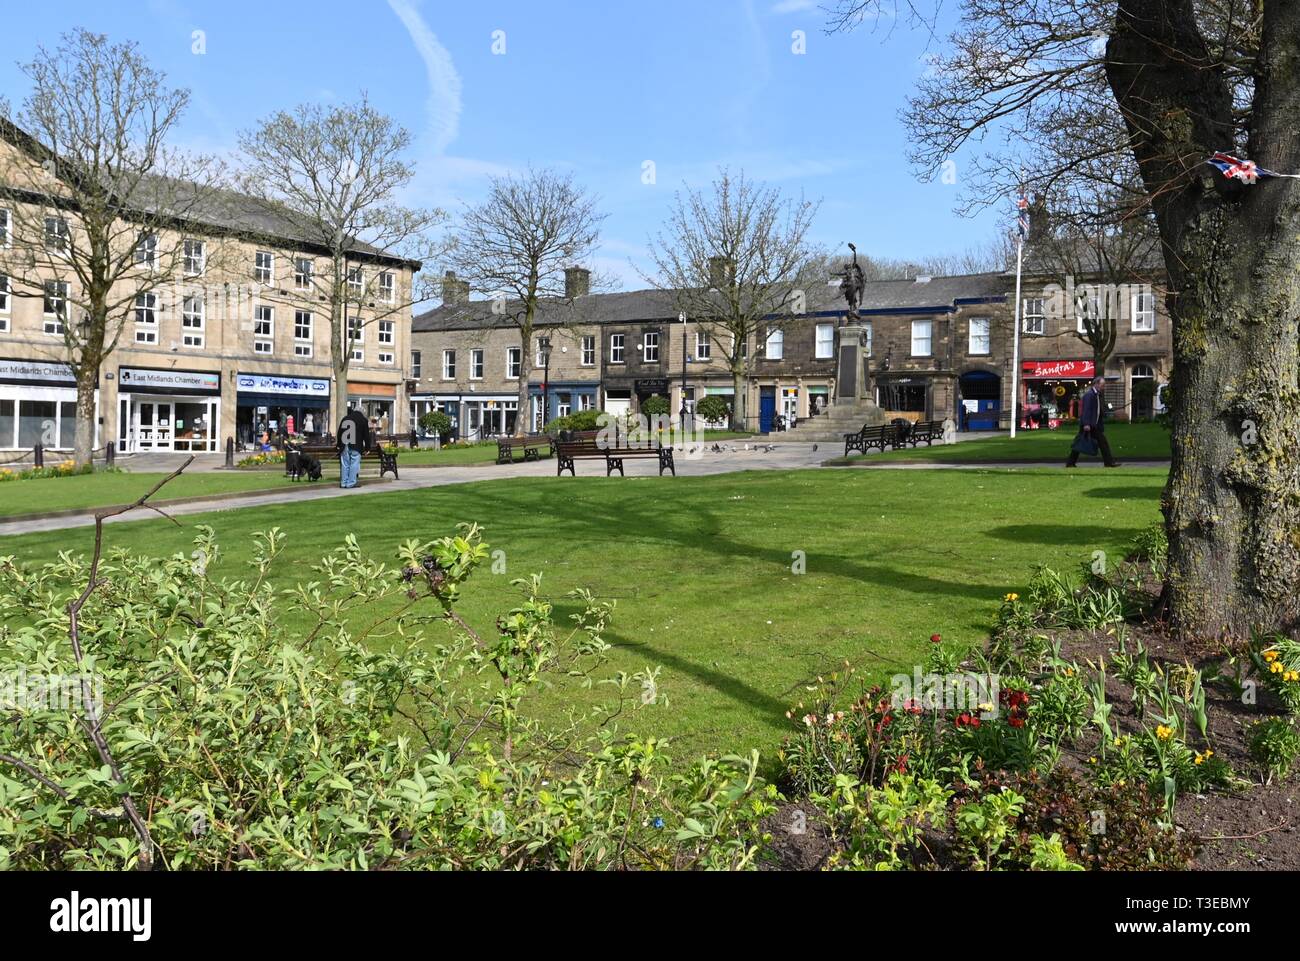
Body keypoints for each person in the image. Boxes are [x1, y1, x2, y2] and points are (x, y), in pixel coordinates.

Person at [1066, 375, 1120, 468]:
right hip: (1089, 424)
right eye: (1102, 385)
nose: (1104, 387)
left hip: (1094, 424)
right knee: (1088, 442)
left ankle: (1071, 463)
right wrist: (1086, 424)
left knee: (1092, 442)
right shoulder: (1089, 395)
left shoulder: (1097, 395)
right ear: (1096, 384)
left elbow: (1098, 409)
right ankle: (1109, 463)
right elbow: (1086, 410)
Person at [337, 407, 370, 489]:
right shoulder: (363, 420)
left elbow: (339, 433)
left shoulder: (345, 418)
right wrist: (367, 448)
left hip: (345, 444)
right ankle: (351, 483)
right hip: (356, 445)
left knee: (345, 464)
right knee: (354, 464)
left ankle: (343, 483)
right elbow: (366, 436)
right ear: (362, 412)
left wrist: (338, 445)